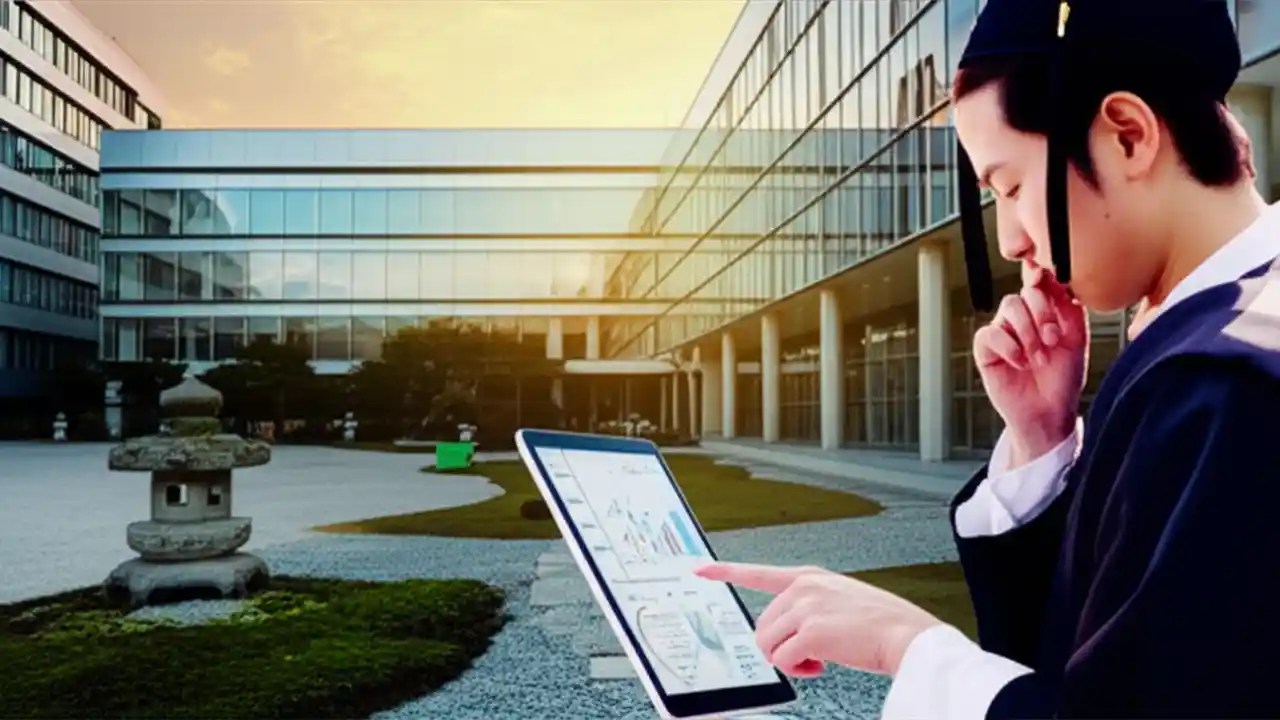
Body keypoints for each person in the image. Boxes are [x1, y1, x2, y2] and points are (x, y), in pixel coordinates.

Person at [694, 0, 1280, 717]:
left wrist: (909, 649)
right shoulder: (1226, 343)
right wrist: (1042, 438)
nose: (1010, 241)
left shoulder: (1227, 385)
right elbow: (1113, 656)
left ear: (1128, 136)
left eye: (1009, 186)